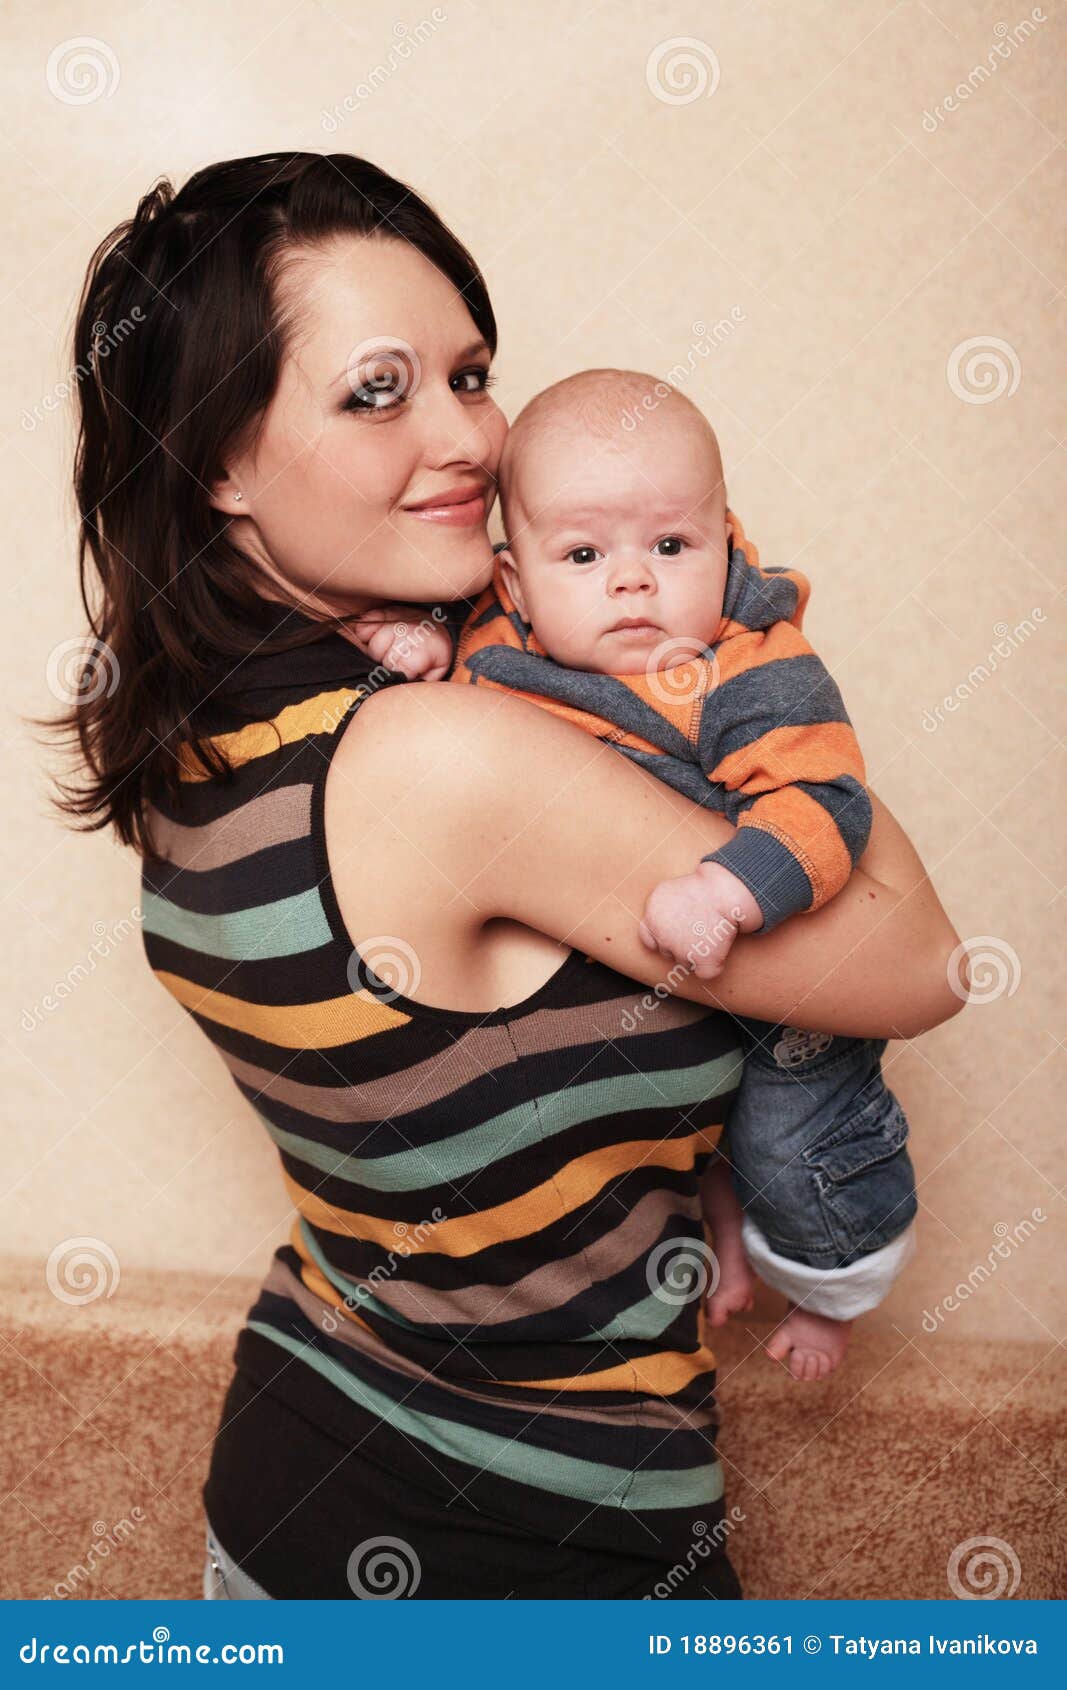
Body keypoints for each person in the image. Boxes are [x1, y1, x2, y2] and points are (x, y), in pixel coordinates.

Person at [48, 151, 965, 1600]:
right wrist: (736, 641)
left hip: (295, 1506)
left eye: (470, 374)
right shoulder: (447, 760)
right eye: (377, 389)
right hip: (515, 1565)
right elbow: (918, 959)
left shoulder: (207, 741)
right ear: (217, 457)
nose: (469, 437)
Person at [361, 368, 922, 1381]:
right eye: (582, 554)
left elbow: (824, 802)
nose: (631, 580)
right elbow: (458, 680)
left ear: (724, 537)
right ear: (515, 578)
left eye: (669, 546)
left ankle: (831, 1284)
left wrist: (725, 889)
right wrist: (412, 646)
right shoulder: (504, 637)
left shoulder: (746, 664)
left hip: (774, 964)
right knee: (649, 1101)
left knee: (793, 1134)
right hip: (643, 976)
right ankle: (715, 1220)